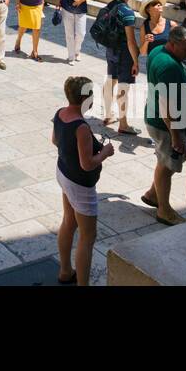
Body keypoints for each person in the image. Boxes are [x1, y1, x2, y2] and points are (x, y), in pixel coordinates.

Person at [53, 75, 114, 285]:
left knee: (68, 222)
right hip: (80, 184)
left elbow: (55, 140)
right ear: (86, 99)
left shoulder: (60, 113)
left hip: (63, 173)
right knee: (88, 238)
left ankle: (64, 271)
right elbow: (87, 163)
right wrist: (105, 152)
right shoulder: (82, 127)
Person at [142, 27, 186, 226]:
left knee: (172, 158)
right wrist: (176, 135)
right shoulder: (168, 66)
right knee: (167, 164)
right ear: (172, 44)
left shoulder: (158, 50)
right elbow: (167, 105)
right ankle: (163, 210)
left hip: (162, 118)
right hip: (165, 123)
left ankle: (153, 194)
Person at [97, 0, 140, 134]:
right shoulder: (128, 12)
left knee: (110, 81)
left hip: (111, 50)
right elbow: (130, 41)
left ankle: (108, 114)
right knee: (123, 88)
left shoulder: (111, 5)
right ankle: (123, 124)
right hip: (124, 54)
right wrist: (136, 61)